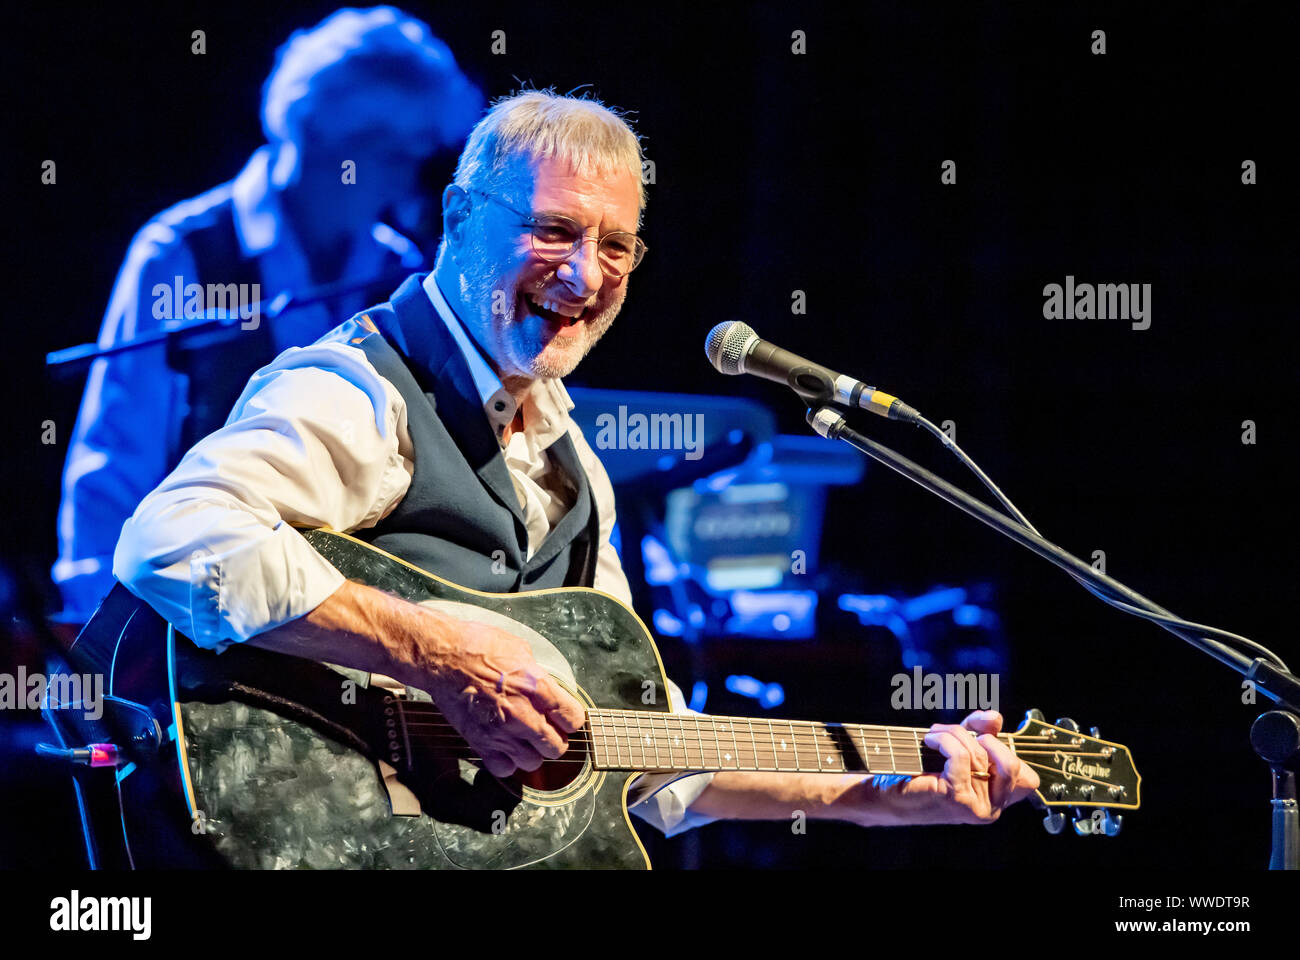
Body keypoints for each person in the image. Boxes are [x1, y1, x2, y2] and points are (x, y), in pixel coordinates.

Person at [113, 89, 1038, 843]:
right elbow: (174, 536)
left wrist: (883, 792)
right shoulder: (358, 390)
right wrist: (433, 653)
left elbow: (647, 752)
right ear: (460, 218)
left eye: (617, 247)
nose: (585, 277)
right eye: (555, 231)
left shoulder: (573, 465)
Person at [54, 6, 482, 623]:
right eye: (394, 153)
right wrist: (111, 641)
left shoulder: (399, 270)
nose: (408, 183)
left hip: (349, 627)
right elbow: (114, 463)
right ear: (326, 138)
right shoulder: (186, 253)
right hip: (196, 612)